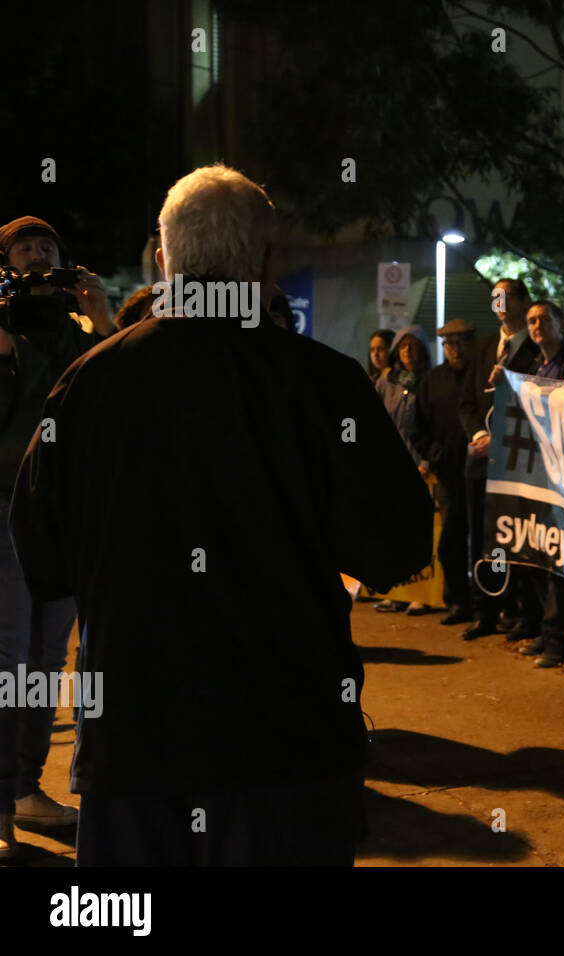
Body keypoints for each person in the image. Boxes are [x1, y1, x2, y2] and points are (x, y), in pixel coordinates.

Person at [7, 164, 433, 866]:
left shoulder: (88, 385)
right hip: (288, 747)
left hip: (135, 750)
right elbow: (396, 547)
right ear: (266, 263)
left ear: (165, 258)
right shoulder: (326, 385)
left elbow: (41, 553)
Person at [0, 216, 113, 857]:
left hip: (63, 517)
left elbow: (124, 388)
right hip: (5, 511)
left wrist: (100, 318)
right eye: (25, 250)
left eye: (48, 249)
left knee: (44, 666)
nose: (39, 257)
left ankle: (26, 789)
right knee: (7, 658)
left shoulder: (80, 338)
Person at [458, 278, 540, 641]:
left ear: (523, 301)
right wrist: (479, 435)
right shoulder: (486, 347)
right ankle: (484, 611)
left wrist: (502, 440)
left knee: (518, 536)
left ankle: (524, 613)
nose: (499, 304)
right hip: (480, 460)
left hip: (518, 462)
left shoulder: (538, 352)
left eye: (505, 297)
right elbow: (466, 401)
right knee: (481, 536)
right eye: (494, 298)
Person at [508, 302, 564, 667]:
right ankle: (546, 629)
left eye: (543, 319)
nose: (537, 326)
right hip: (535, 472)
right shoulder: (530, 367)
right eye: (531, 321)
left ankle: (559, 640)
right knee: (536, 555)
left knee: (559, 560)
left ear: (559, 323)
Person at [413, 318, 476, 626]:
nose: (455, 349)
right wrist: (435, 454)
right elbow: (417, 429)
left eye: (462, 342)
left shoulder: (481, 377)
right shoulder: (433, 381)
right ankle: (458, 601)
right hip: (450, 473)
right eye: (450, 344)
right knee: (451, 539)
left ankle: (492, 604)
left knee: (485, 541)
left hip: (485, 474)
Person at [375, 325, 436, 615]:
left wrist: (426, 462)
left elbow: (434, 425)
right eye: (403, 346)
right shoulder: (386, 383)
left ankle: (420, 594)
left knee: (419, 531)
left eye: (413, 346)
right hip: (390, 466)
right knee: (392, 530)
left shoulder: (431, 381)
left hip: (422, 466)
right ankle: (395, 591)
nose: (408, 351)